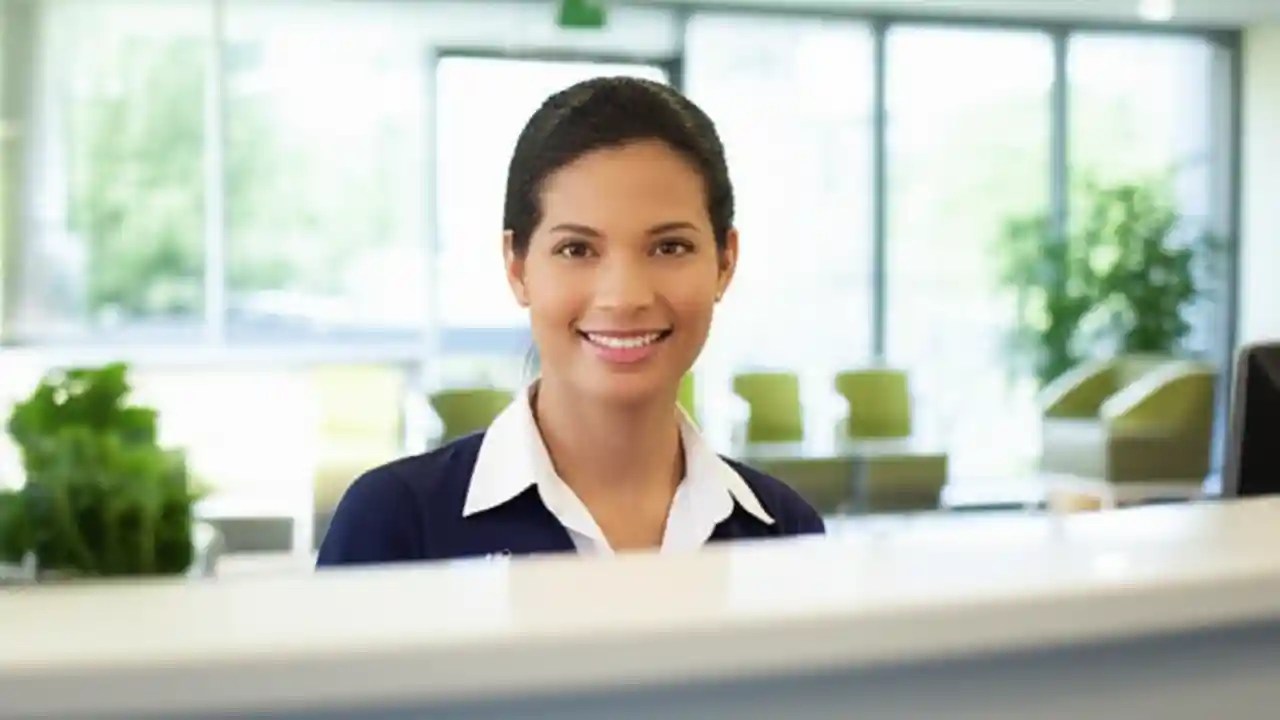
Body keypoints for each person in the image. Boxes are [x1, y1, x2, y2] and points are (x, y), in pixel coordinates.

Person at [317, 77, 824, 566]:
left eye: (670, 247)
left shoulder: (784, 533)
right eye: (576, 249)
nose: (624, 297)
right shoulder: (395, 524)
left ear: (725, 262)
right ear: (517, 268)